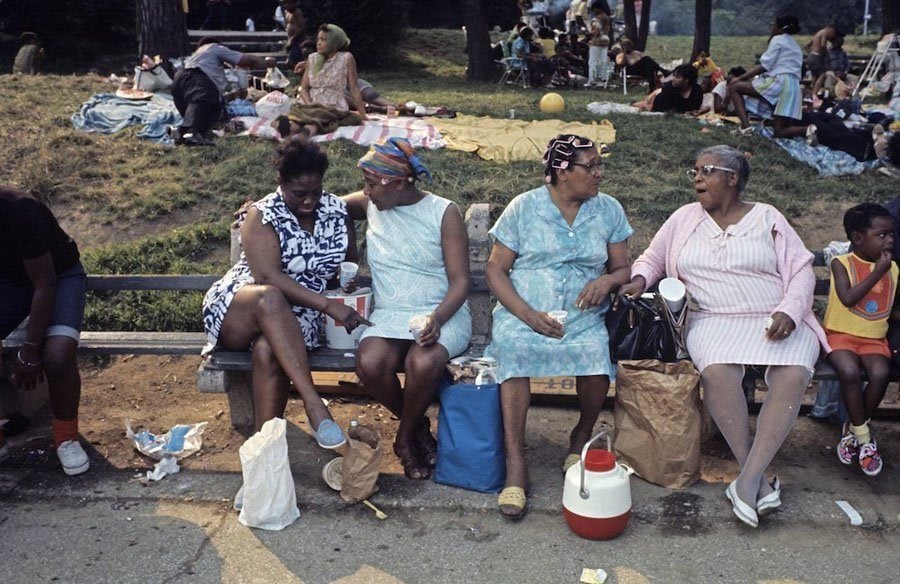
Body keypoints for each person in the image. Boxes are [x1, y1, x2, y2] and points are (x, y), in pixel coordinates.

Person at [619, 145, 830, 528]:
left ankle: (747, 481)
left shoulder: (767, 216)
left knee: (794, 373)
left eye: (707, 170)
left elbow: (801, 271)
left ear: (732, 179)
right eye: (694, 171)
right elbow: (651, 258)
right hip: (713, 318)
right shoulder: (685, 218)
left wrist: (789, 309)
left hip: (773, 315)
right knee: (717, 372)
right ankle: (756, 478)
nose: (697, 178)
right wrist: (638, 280)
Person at [201, 138, 371, 506]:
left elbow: (348, 261)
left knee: (267, 352)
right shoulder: (261, 215)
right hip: (242, 305)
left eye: (315, 191)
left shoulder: (335, 211)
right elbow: (267, 276)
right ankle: (314, 404)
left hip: (298, 319)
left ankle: (262, 470)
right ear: (280, 181)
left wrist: (345, 286)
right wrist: (329, 306)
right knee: (270, 297)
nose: (308, 201)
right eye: (298, 194)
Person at [485, 135, 633, 519]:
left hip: (582, 315)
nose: (599, 174)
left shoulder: (608, 209)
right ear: (562, 172)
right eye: (591, 167)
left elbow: (622, 268)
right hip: (525, 313)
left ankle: (581, 435)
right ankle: (516, 464)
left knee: (596, 355)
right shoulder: (525, 207)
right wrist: (527, 314)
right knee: (513, 350)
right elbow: (496, 270)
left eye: (600, 166)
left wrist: (608, 281)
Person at [345, 138, 472, 481]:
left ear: (398, 183)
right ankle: (418, 429)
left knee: (423, 360)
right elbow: (327, 207)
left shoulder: (443, 212)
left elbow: (461, 282)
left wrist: (437, 319)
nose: (365, 191)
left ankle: (404, 438)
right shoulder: (372, 203)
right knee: (370, 364)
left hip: (441, 311)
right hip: (389, 312)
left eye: (371, 184)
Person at [0, 186, 90, 476]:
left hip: (59, 276)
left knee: (57, 355)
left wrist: (29, 350)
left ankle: (66, 437)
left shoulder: (19, 210)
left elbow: (45, 283)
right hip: (9, 282)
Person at [824, 203, 897, 477]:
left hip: (874, 339)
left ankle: (852, 430)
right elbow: (848, 298)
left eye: (892, 234)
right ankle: (865, 438)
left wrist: (885, 270)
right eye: (882, 235)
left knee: (880, 372)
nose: (890, 240)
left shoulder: (894, 269)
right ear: (857, 238)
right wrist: (878, 271)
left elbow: (887, 304)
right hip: (840, 335)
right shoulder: (841, 264)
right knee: (849, 371)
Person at [170, 38, 276, 146]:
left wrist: (233, 96)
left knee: (212, 108)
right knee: (202, 101)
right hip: (194, 78)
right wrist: (266, 63)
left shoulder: (197, 59)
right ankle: (191, 133)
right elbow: (247, 60)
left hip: (178, 83)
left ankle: (181, 132)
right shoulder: (213, 47)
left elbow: (213, 99)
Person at [283, 24, 368, 139]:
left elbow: (354, 89)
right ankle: (286, 139)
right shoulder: (312, 58)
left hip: (333, 106)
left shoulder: (346, 58)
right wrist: (309, 103)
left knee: (314, 122)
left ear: (334, 42)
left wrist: (363, 115)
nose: (318, 43)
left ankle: (300, 141)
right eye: (318, 39)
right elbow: (304, 88)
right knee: (296, 122)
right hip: (311, 103)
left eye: (323, 40)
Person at [728, 14, 804, 138]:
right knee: (779, 131)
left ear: (780, 28)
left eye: (773, 25)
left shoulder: (778, 39)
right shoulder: (795, 45)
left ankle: (745, 127)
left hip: (780, 82)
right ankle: (808, 129)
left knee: (735, 87)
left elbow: (765, 66)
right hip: (793, 87)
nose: (772, 28)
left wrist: (740, 78)